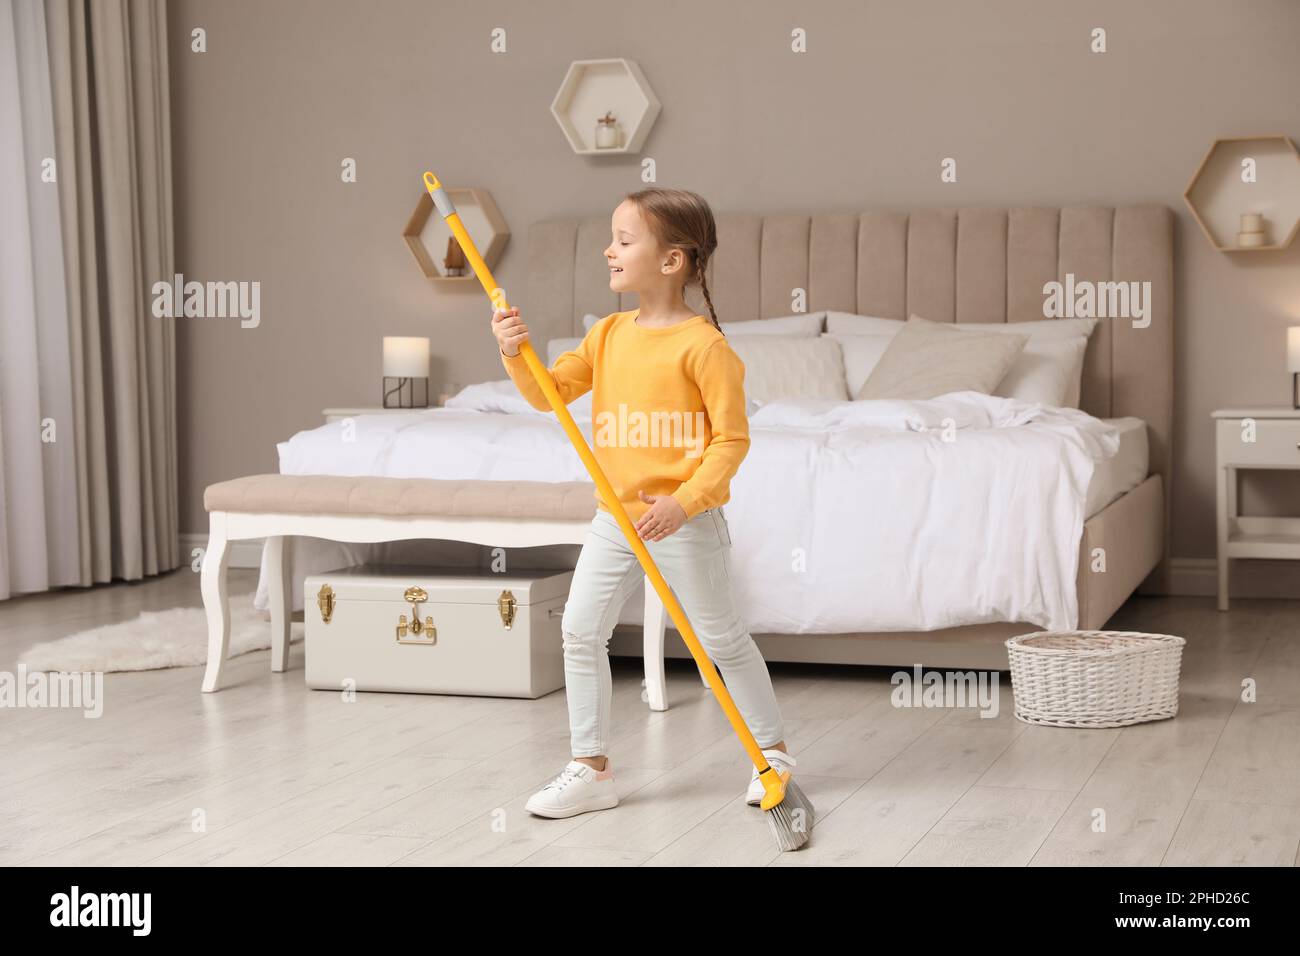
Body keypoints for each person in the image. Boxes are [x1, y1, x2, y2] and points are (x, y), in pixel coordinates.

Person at [494, 187, 793, 818]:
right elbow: (547, 395)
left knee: (721, 640)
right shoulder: (606, 335)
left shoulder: (704, 346)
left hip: (685, 521)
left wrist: (685, 503)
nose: (609, 250)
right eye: (613, 237)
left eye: (625, 240)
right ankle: (591, 768)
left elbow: (731, 441)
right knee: (579, 629)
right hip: (616, 516)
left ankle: (772, 752)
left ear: (671, 260)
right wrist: (512, 350)